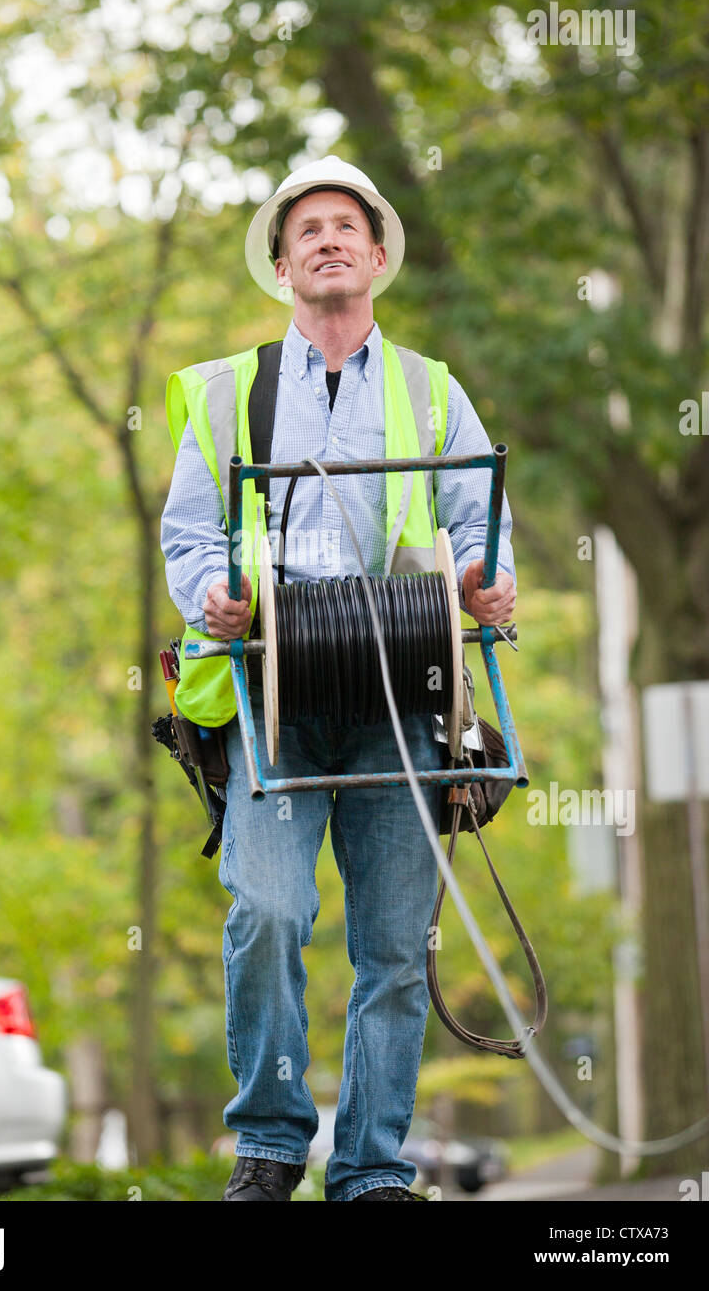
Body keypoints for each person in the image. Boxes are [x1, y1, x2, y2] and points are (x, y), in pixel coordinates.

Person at [160, 155, 516, 1201]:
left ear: (374, 257)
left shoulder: (429, 389)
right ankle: (271, 1148)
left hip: (398, 695)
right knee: (265, 913)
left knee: (395, 945)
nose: (324, 239)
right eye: (304, 227)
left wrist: (484, 582)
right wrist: (213, 598)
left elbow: (475, 528)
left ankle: (371, 1171)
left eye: (342, 227)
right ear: (280, 262)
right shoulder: (225, 391)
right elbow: (188, 537)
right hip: (270, 694)